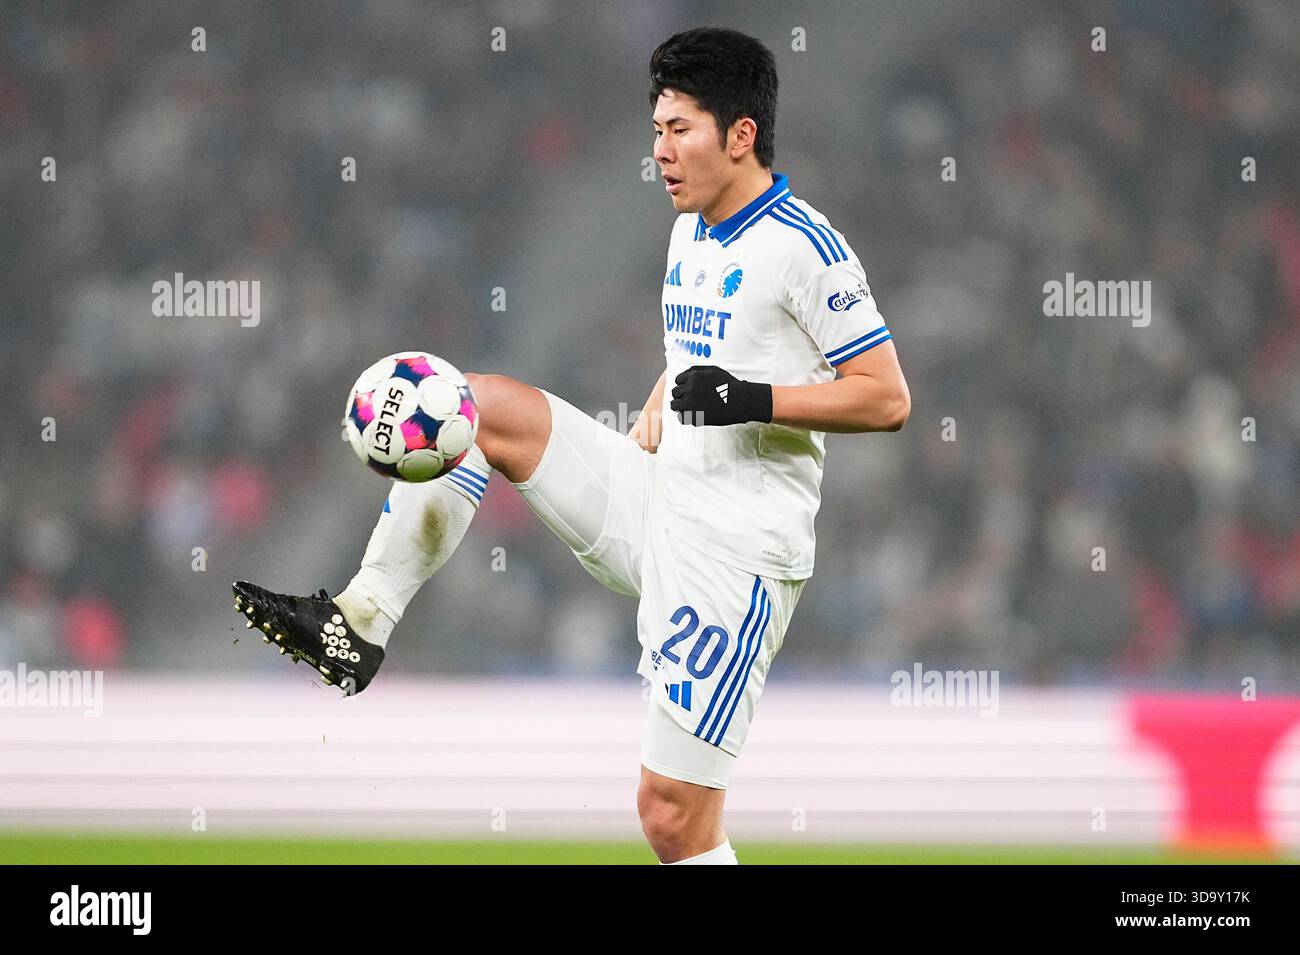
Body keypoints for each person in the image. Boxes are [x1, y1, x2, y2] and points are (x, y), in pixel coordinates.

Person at [231, 26, 910, 865]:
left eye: (680, 130)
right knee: (476, 407)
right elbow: (700, 361)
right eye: (656, 130)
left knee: (673, 818)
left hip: (737, 554)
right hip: (659, 499)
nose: (660, 152)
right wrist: (657, 413)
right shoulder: (692, 231)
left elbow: (886, 396)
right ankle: (360, 622)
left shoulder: (806, 247)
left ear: (740, 134)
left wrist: (749, 400)